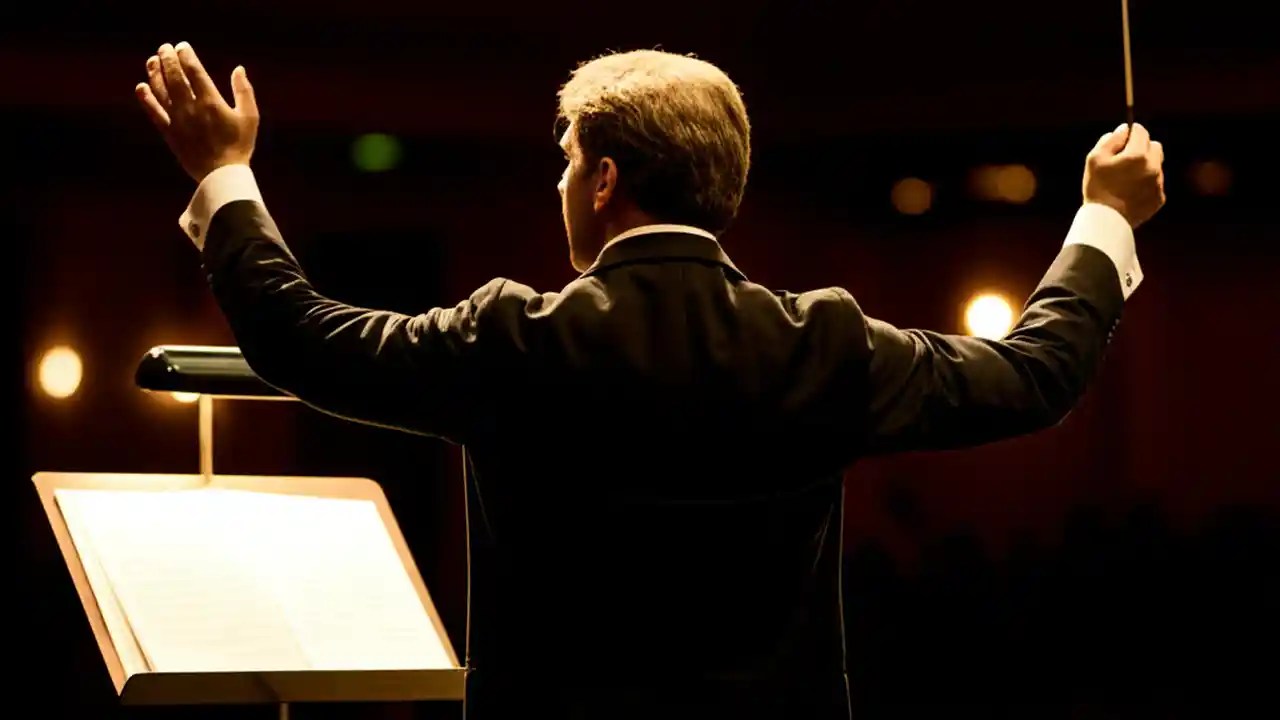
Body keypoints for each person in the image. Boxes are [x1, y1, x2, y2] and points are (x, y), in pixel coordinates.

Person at [135, 41, 1164, 719]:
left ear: (601, 177)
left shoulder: (514, 341)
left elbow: (299, 334)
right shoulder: (824, 345)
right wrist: (1104, 213)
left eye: (565, 159)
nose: (558, 183)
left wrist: (223, 173)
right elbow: (1035, 373)